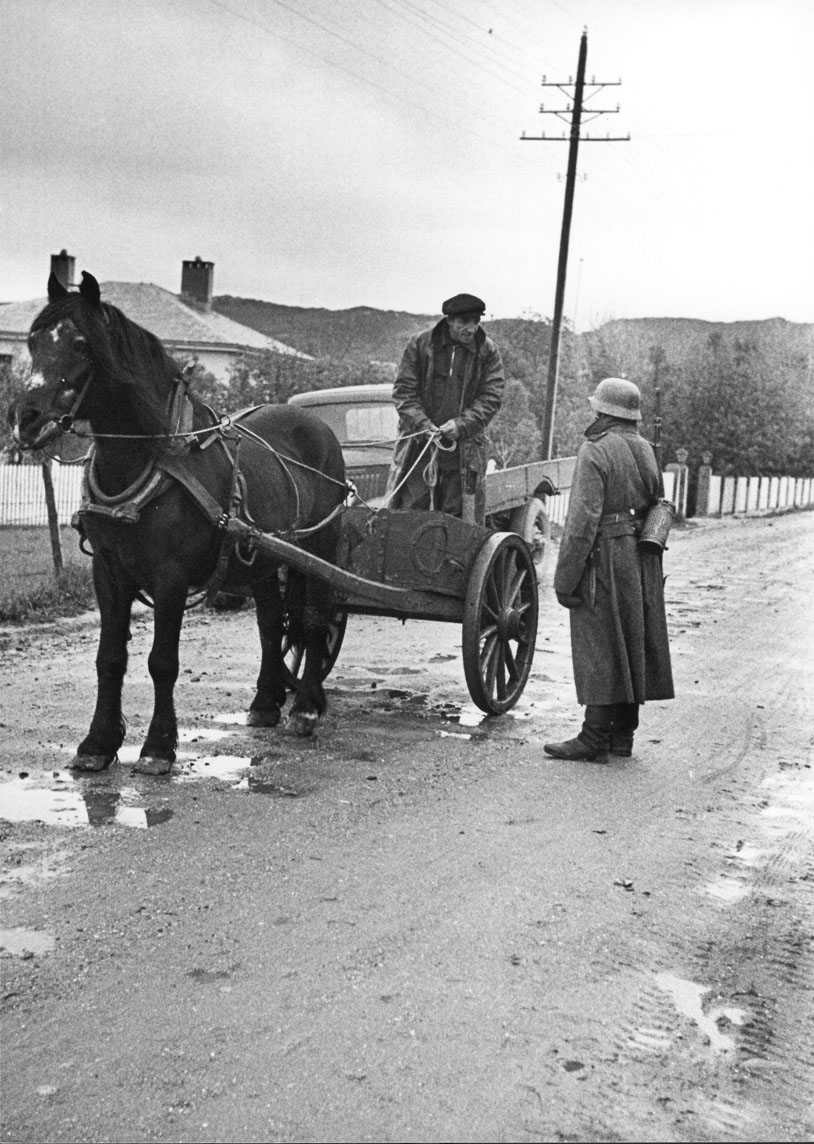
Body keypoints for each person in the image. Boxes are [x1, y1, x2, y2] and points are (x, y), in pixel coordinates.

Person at [544, 377, 674, 762]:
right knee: (631, 637)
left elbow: (582, 522)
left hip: (605, 555)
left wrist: (565, 579)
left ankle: (594, 736)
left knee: (600, 641)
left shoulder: (595, 449)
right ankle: (622, 736)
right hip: (641, 556)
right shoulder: (646, 449)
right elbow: (658, 503)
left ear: (602, 410)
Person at [385, 293, 505, 524]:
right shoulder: (420, 344)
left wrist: (461, 425)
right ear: (449, 320)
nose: (471, 328)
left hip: (463, 452)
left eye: (476, 321)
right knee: (410, 514)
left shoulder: (487, 351)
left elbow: (491, 397)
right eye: (464, 322)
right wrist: (423, 425)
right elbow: (404, 392)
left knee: (457, 521)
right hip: (419, 449)